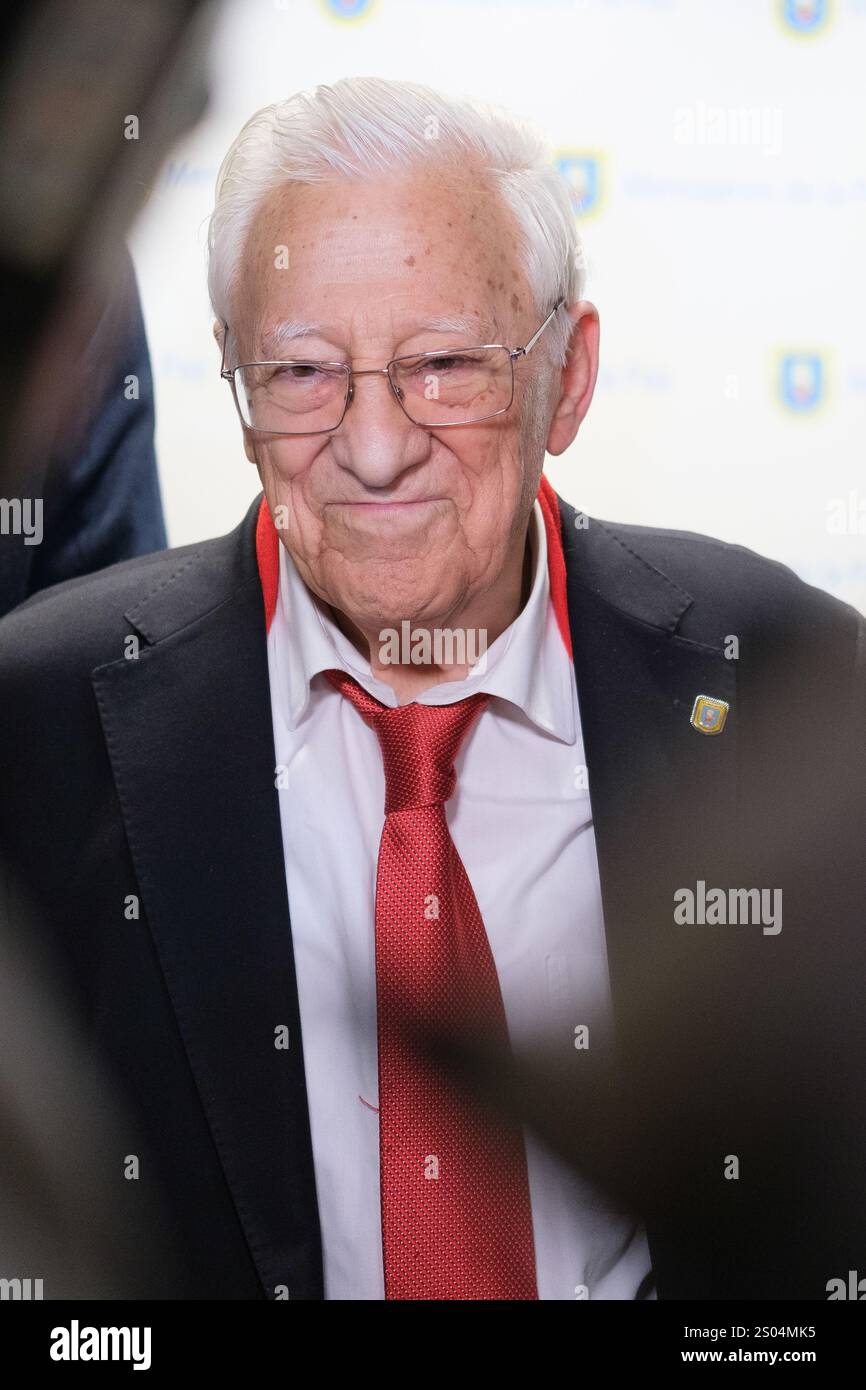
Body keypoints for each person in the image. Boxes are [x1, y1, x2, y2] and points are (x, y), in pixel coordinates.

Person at [0, 77, 863, 1301]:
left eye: (443, 364)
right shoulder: (37, 724)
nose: (372, 445)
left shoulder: (791, 689)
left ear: (564, 378)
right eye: (301, 372)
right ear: (234, 394)